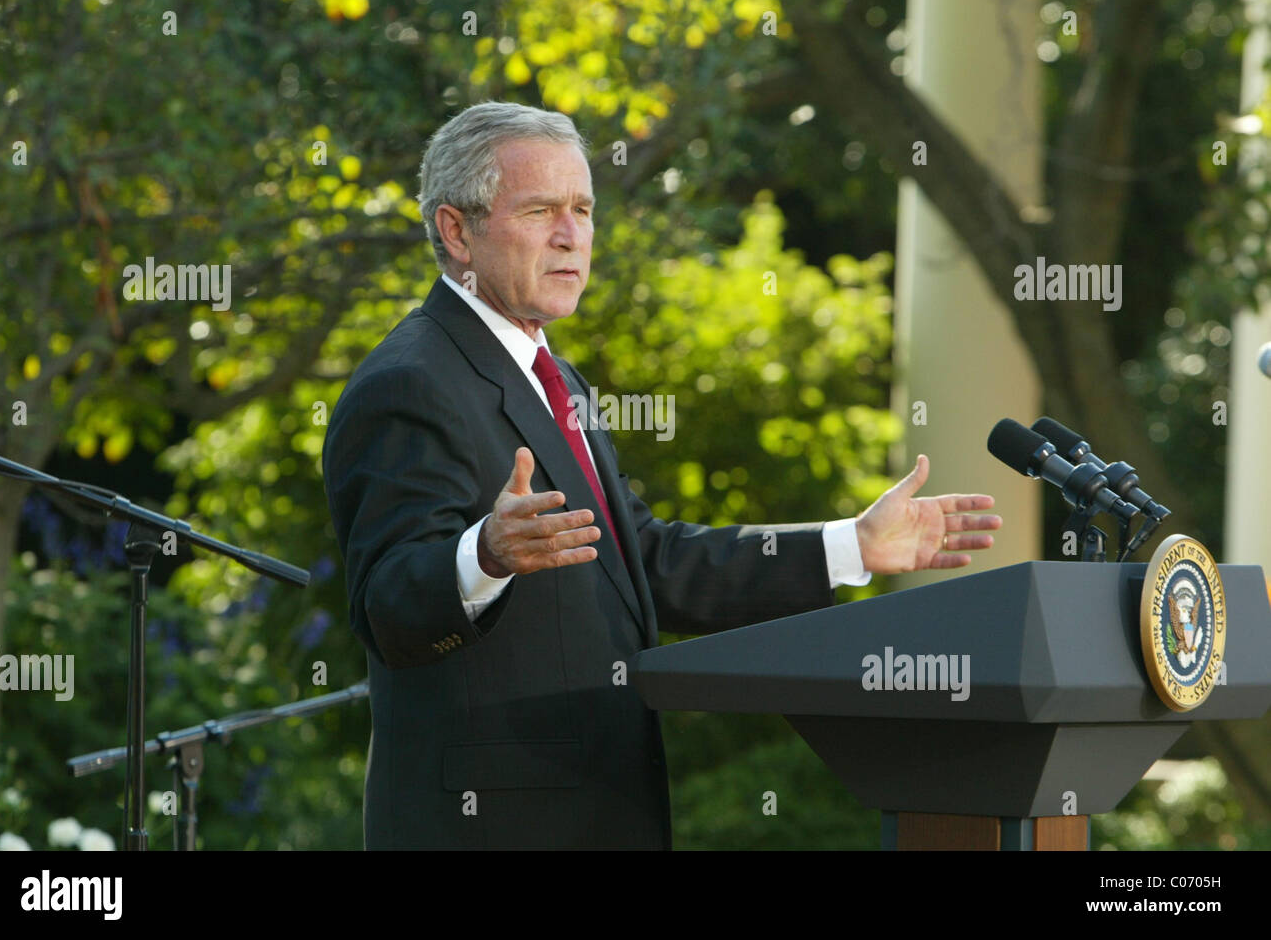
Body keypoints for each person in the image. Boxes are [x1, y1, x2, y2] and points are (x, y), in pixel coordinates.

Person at [322, 100, 1001, 849]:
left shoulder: (556, 379)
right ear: (457, 232)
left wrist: (850, 545)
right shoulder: (409, 381)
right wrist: (483, 554)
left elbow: (644, 562)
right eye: (540, 210)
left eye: (583, 209)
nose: (571, 234)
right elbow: (387, 609)